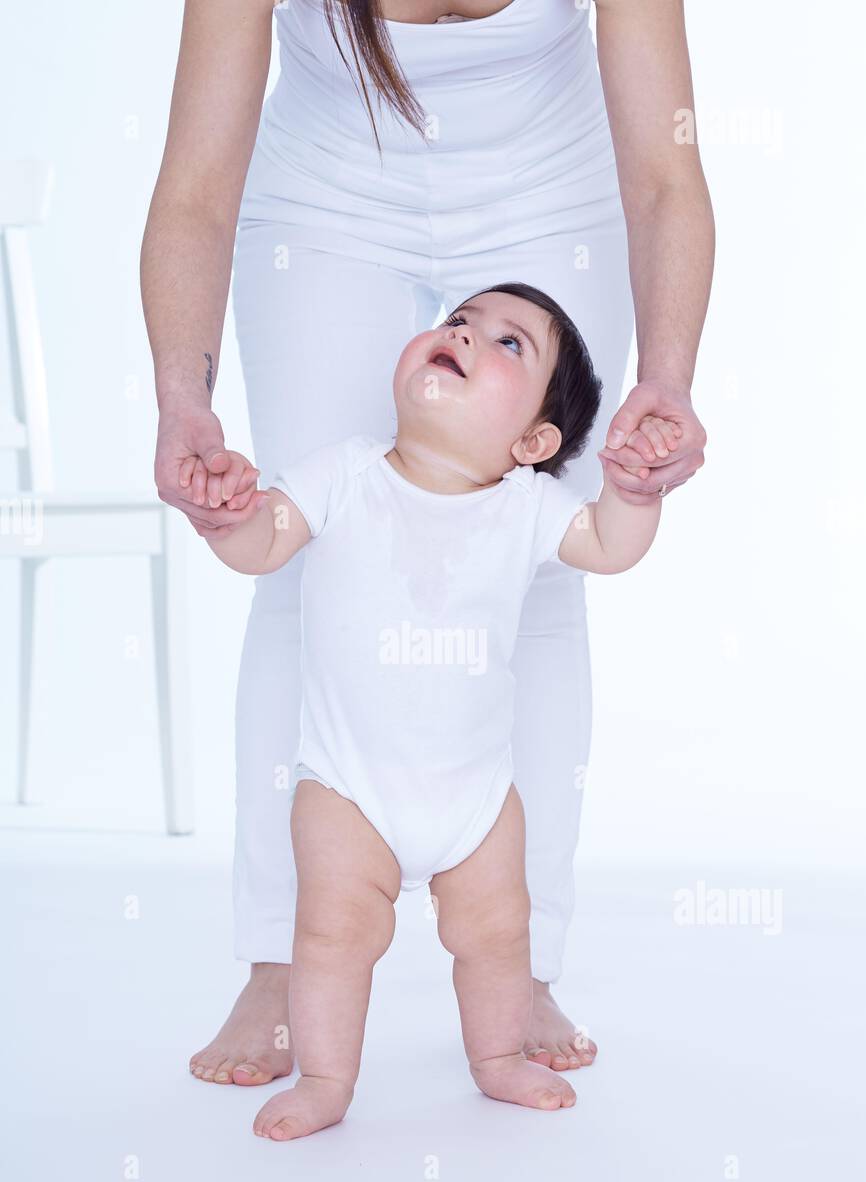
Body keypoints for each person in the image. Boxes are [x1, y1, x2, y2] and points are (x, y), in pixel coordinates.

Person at [140, 0, 713, 1085]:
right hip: (325, 193)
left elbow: (664, 176)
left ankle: (522, 951)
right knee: (306, 552)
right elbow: (195, 190)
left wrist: (667, 380)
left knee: (540, 576)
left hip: (548, 184)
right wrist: (182, 397)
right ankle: (279, 947)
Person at [201, 283, 671, 1139]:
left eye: (508, 343)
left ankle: (497, 1058)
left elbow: (608, 547)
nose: (464, 334)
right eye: (459, 321)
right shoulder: (344, 471)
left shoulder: (526, 506)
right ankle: (328, 1080)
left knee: (498, 936)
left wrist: (636, 495)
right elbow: (262, 542)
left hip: (478, 800)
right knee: (331, 938)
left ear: (533, 440)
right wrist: (224, 514)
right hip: (348, 788)